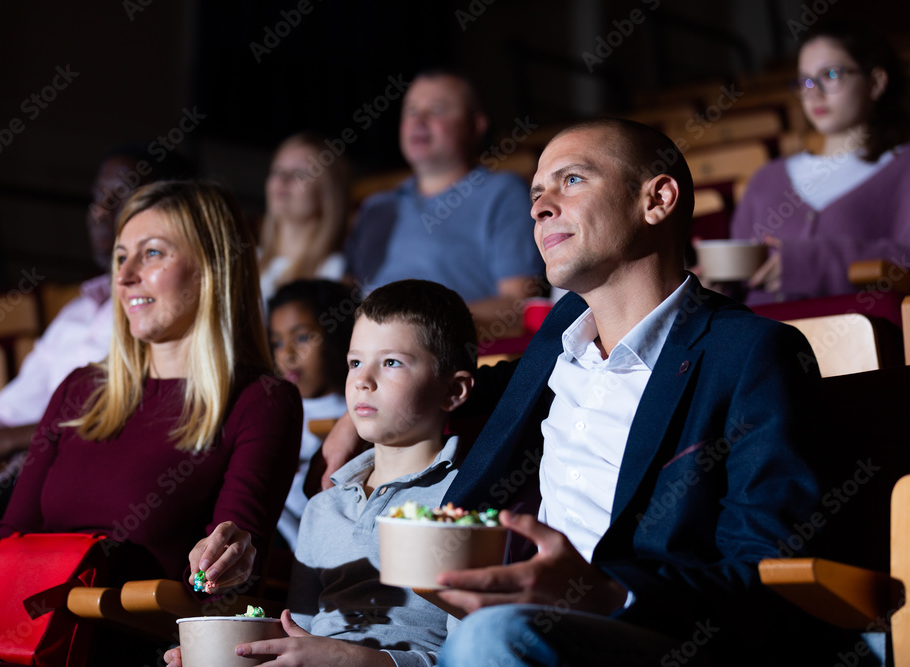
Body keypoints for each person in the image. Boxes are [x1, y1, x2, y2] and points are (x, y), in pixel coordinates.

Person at [325, 119, 832, 665]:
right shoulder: (560, 340)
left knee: (488, 639)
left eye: (570, 181)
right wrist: (357, 409)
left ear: (657, 200)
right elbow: (484, 387)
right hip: (507, 623)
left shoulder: (751, 353)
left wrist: (610, 593)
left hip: (658, 633)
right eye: (536, 194)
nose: (541, 207)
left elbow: (769, 568)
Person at [0, 181, 302, 664]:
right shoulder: (79, 389)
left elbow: (228, 579)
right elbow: (13, 530)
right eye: (120, 257)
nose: (123, 276)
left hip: (137, 645)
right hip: (22, 641)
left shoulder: (262, 400)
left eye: (151, 254)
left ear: (212, 268)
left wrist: (219, 564)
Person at [166, 278, 477, 667]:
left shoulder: (468, 499)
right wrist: (236, 653)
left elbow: (474, 654)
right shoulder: (324, 506)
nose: (363, 380)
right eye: (355, 362)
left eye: (392, 362)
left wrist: (352, 659)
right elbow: (301, 632)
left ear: (453, 391)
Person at [0, 145, 193, 520]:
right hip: (8, 482)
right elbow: (21, 399)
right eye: (97, 197)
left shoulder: (161, 314)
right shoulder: (78, 310)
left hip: (75, 493)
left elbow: (134, 417)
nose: (100, 210)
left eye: (121, 195)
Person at [344, 70, 545, 331]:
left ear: (476, 126)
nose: (419, 121)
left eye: (437, 110)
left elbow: (520, 304)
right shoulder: (377, 207)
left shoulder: (503, 192)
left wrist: (411, 323)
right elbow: (346, 296)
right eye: (411, 110)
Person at [728, 21, 910, 305]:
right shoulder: (766, 178)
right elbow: (736, 288)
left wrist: (809, 263)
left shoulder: (903, 167)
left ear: (876, 82)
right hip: (758, 343)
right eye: (805, 81)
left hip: (858, 340)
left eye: (831, 74)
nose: (814, 92)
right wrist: (710, 285)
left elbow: (905, 259)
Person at [268, 279, 357, 550]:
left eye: (303, 338)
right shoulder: (269, 407)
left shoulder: (355, 409)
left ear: (339, 337)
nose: (288, 354)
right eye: (277, 342)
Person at [259, 132, 351, 302]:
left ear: (327, 194)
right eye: (277, 170)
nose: (283, 179)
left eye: (299, 173)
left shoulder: (333, 271)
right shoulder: (249, 261)